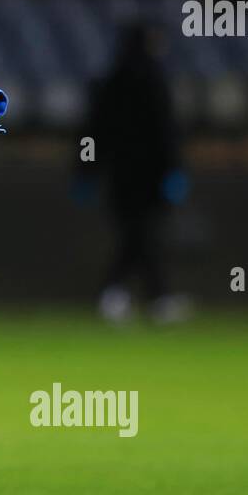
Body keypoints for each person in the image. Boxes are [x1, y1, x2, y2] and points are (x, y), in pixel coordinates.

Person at [78, 22, 188, 323]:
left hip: (120, 175)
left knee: (137, 235)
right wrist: (173, 170)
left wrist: (86, 169)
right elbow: (166, 133)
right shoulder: (154, 81)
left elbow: (92, 133)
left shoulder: (110, 83)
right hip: (149, 175)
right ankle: (153, 297)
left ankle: (125, 294)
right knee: (142, 234)